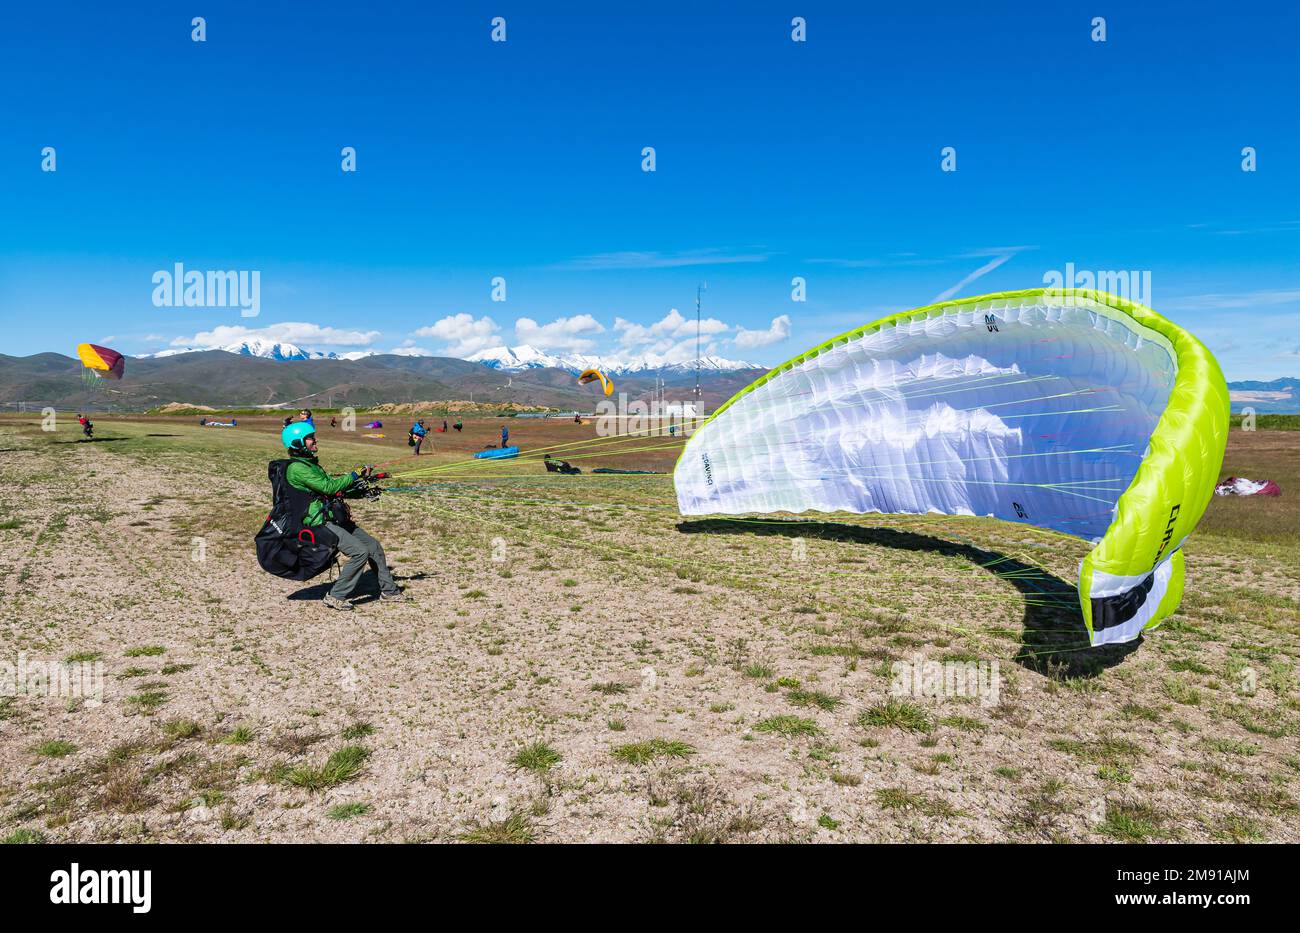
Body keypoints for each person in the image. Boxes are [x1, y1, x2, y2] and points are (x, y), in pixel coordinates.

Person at [280, 421, 408, 610]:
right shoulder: (297, 468)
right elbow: (328, 488)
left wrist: (362, 492)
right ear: (297, 443)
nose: (315, 440)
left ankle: (389, 591)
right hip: (318, 521)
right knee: (359, 552)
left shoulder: (311, 465)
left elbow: (335, 492)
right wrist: (355, 474)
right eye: (310, 438)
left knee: (373, 546)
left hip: (332, 515)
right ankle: (335, 596)